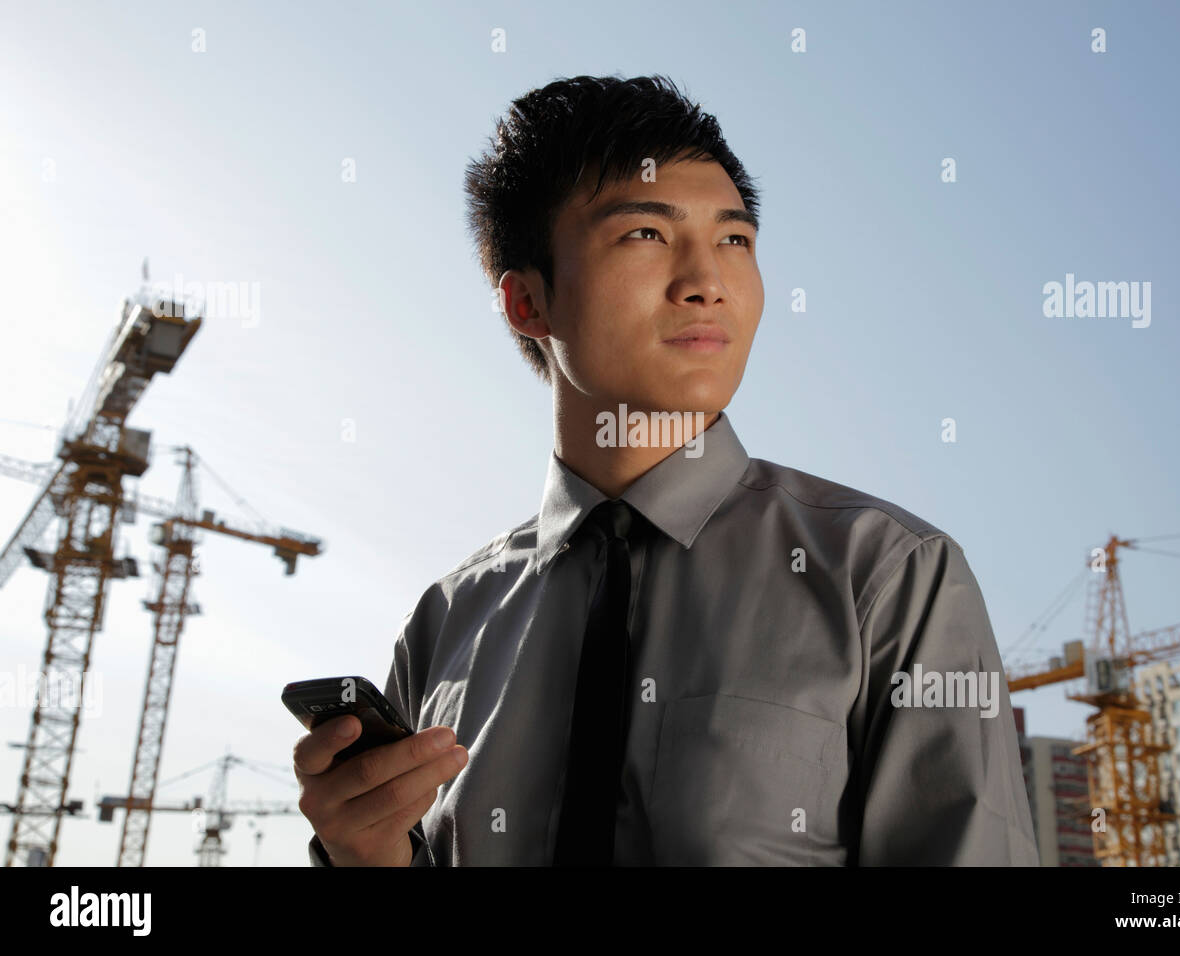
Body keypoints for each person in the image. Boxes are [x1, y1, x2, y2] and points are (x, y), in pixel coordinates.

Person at [293, 74, 1039, 867]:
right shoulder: (446, 621)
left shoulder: (887, 577)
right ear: (526, 304)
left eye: (734, 240)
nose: (706, 283)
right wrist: (364, 858)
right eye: (645, 235)